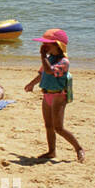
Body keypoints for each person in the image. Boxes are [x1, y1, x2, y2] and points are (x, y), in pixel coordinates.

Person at [24, 29, 84, 162]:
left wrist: (42, 56)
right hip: (47, 96)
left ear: (57, 45)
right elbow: (41, 74)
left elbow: (48, 71)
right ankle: (51, 151)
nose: (45, 47)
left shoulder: (64, 62)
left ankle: (78, 148)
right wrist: (31, 84)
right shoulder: (49, 58)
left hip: (58, 96)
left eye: (48, 44)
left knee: (59, 127)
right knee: (48, 126)